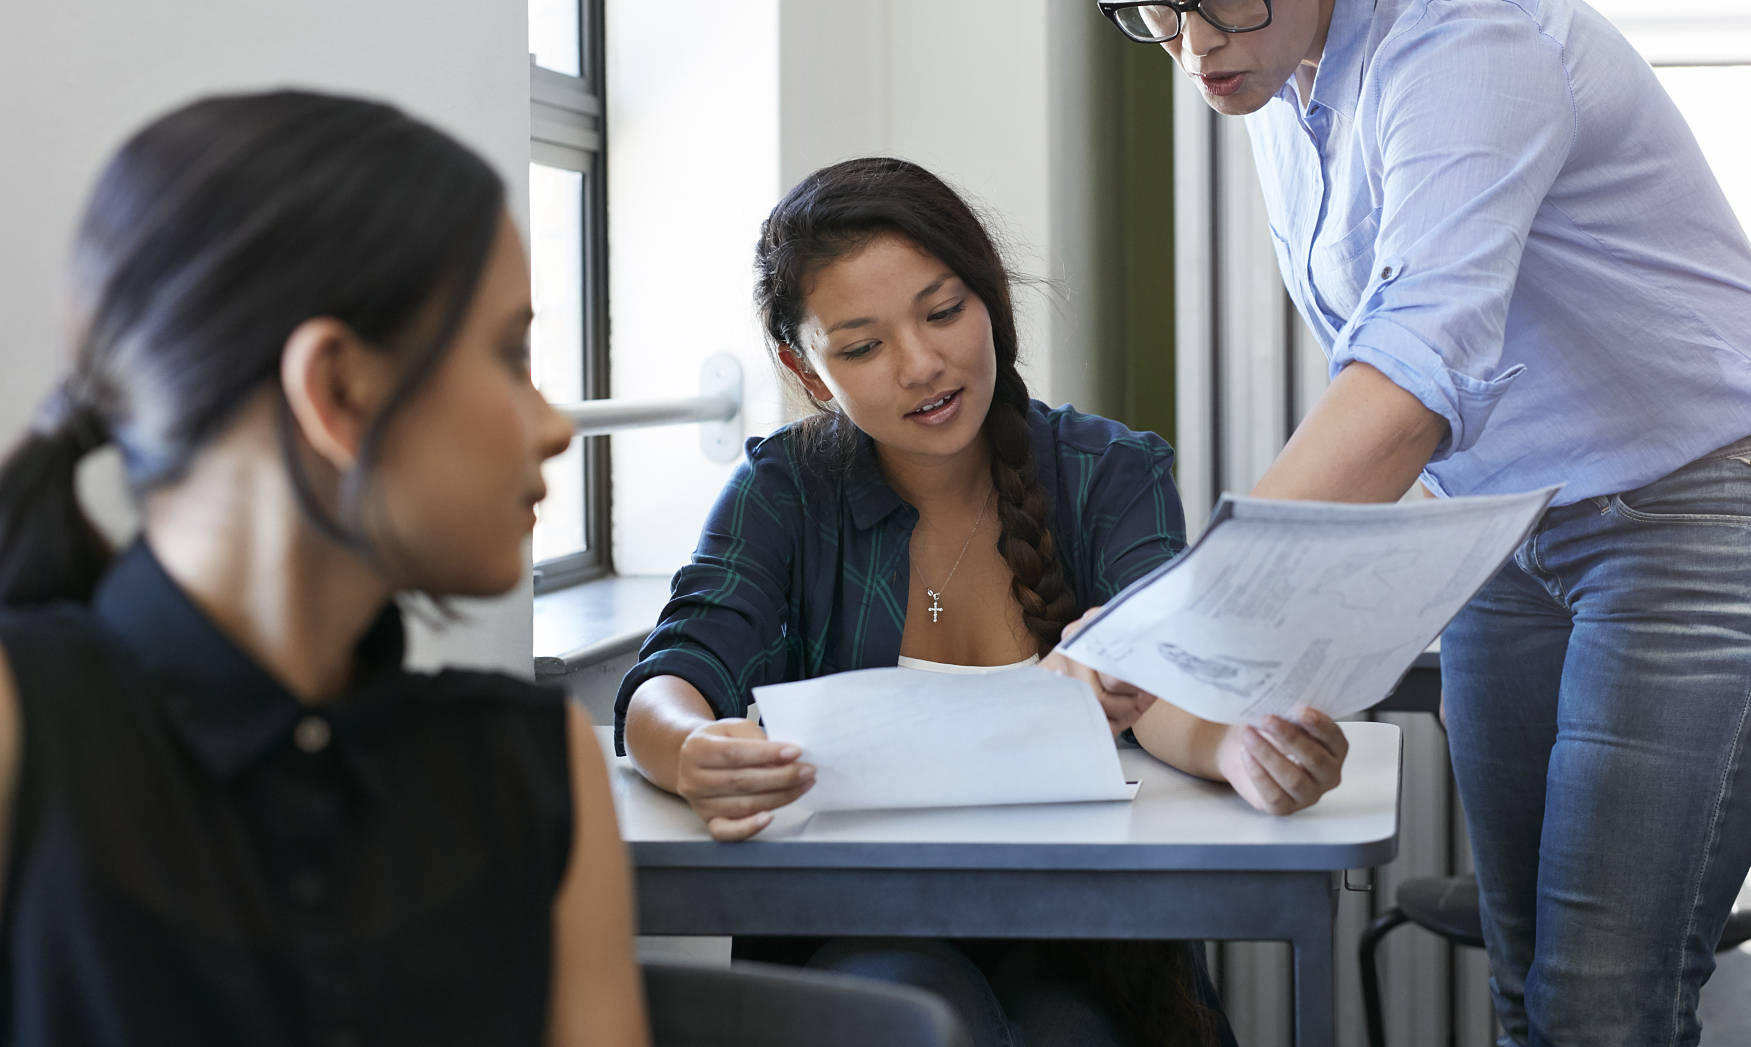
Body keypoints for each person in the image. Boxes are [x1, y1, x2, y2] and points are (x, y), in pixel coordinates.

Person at [1089, 0, 1751, 1046]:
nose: (1193, 43)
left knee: (1601, 1003)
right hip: (1512, 522)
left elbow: (1411, 379)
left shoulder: (1461, 46)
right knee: (1522, 978)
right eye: (1155, 1)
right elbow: (1377, 366)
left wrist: (1186, 619)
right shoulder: (1274, 74)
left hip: (1712, 503)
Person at [619, 157, 1345, 1047]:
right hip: (850, 925)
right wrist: (689, 750)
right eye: (862, 347)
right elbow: (676, 673)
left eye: (943, 313)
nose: (922, 366)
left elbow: (1162, 686)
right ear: (805, 369)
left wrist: (1244, 749)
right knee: (910, 1005)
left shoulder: (1110, 473)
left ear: (990, 298)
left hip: (1088, 932)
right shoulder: (783, 492)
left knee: (1067, 1029)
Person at [0, 91, 649, 1047]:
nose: (554, 426)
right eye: (511, 354)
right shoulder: (21, 728)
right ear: (338, 390)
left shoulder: (541, 770)